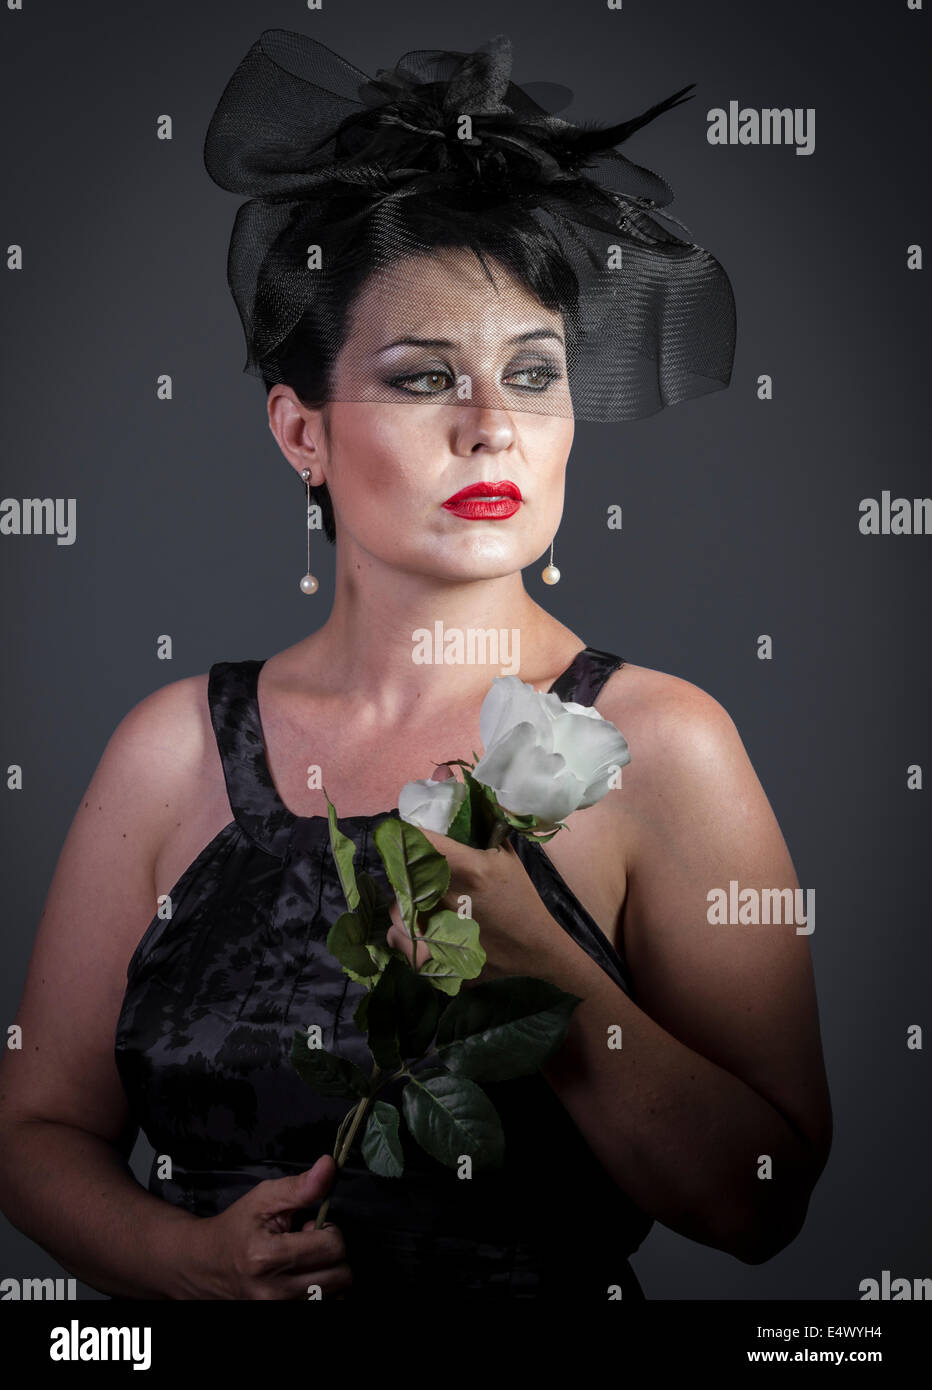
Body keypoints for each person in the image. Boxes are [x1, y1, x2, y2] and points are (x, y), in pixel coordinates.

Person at [0, 30, 831, 1302]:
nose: (490, 423)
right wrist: (184, 1260)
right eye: (423, 375)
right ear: (301, 433)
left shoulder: (665, 747)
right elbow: (35, 1132)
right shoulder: (171, 749)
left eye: (533, 375)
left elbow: (759, 1201)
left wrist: (543, 972)